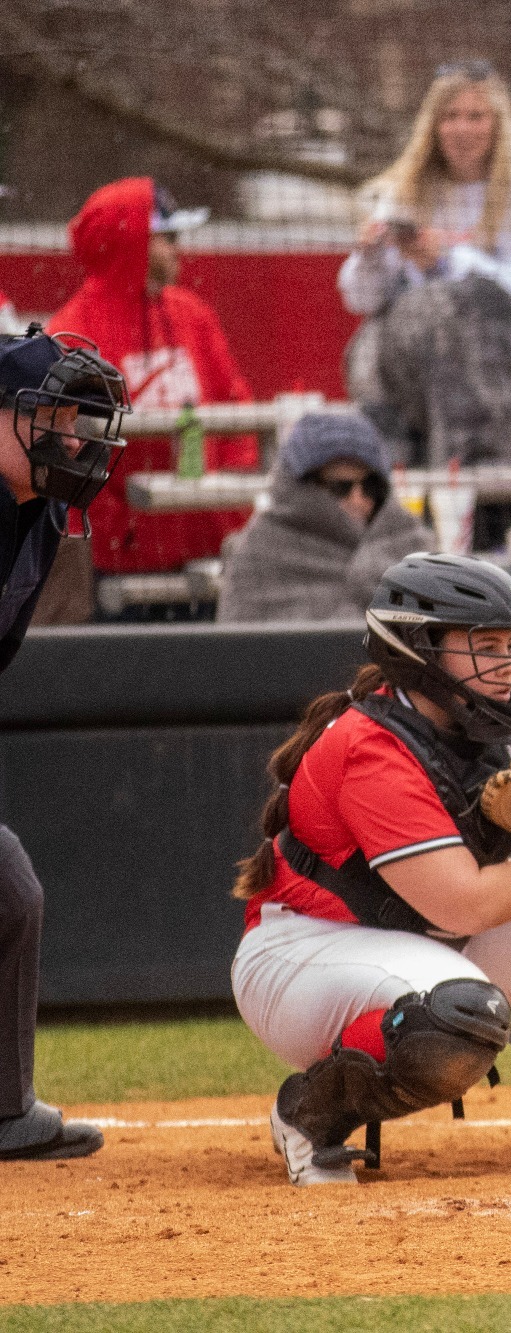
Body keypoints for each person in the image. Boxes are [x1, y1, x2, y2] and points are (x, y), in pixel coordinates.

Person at [230, 553, 511, 1186]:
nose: (507, 663)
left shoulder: (488, 726)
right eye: (484, 646)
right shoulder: (371, 747)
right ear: (419, 652)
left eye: (510, 643)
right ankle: (309, 1113)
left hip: (415, 942)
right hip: (304, 955)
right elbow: (462, 906)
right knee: (459, 1017)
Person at [0, 325, 129, 1160]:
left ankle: (7, 1112)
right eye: (51, 419)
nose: (72, 439)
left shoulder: (43, 515)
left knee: (10, 891)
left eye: (79, 423)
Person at [339, 61, 511, 471]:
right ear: (433, 125)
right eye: (451, 117)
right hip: (411, 353)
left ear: (497, 122)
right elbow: (362, 300)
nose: (463, 129)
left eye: (476, 116)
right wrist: (370, 257)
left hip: (503, 349)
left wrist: (449, 262)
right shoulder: (406, 185)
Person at [48, 179, 258, 583]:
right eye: (168, 236)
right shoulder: (73, 333)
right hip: (117, 564)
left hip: (207, 549)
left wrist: (227, 512)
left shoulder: (192, 315)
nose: (179, 247)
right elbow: (66, 454)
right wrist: (124, 530)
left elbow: (237, 413)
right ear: (134, 242)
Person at [217, 411, 432, 623]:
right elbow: (243, 652)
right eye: (341, 487)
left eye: (371, 486)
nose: (358, 499)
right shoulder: (261, 553)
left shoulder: (412, 546)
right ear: (302, 488)